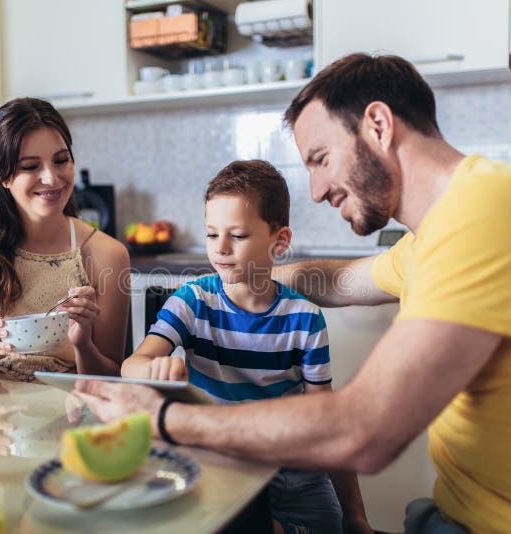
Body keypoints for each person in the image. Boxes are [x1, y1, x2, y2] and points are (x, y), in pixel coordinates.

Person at [76, 53, 511, 532]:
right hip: (459, 511)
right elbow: (337, 281)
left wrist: (167, 418)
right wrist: (248, 275)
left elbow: (365, 431)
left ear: (378, 125)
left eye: (319, 158)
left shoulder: (490, 211)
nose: (314, 189)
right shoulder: (436, 236)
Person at [121, 160, 370, 534]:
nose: (220, 249)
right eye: (210, 234)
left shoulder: (305, 320)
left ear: (279, 241)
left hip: (297, 475)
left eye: (236, 236)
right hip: (221, 468)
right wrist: (151, 369)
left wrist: (356, 517)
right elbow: (133, 364)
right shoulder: (192, 301)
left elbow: (328, 422)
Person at [0, 97, 129, 381]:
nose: (52, 178)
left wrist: (83, 344)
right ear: (1, 176)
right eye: (31, 166)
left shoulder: (107, 254)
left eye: (61, 160)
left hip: (69, 418)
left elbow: (111, 378)